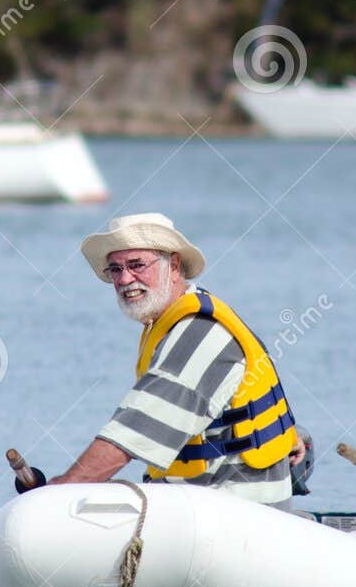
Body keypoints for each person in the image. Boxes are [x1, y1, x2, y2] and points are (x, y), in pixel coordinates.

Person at [21, 213, 307, 506]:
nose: (124, 279)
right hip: (206, 502)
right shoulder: (178, 318)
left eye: (137, 265)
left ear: (173, 266)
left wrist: (61, 490)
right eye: (115, 269)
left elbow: (134, 431)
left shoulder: (197, 332)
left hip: (237, 508)